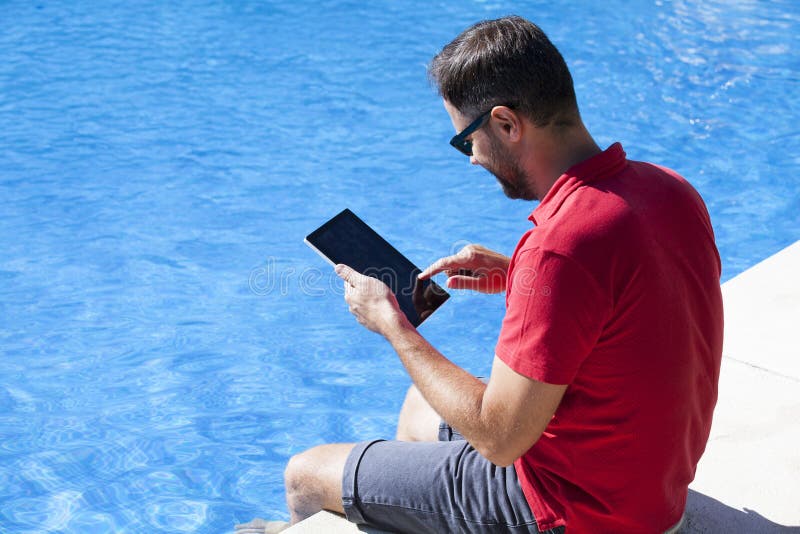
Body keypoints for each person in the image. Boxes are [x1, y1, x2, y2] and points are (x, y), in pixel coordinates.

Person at [283, 15, 723, 533]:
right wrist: (519, 274)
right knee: (420, 402)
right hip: (648, 489)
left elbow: (499, 439)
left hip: (573, 510)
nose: (471, 159)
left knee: (306, 474)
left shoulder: (560, 247)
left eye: (466, 140)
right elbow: (636, 297)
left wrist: (391, 323)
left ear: (507, 124)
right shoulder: (668, 189)